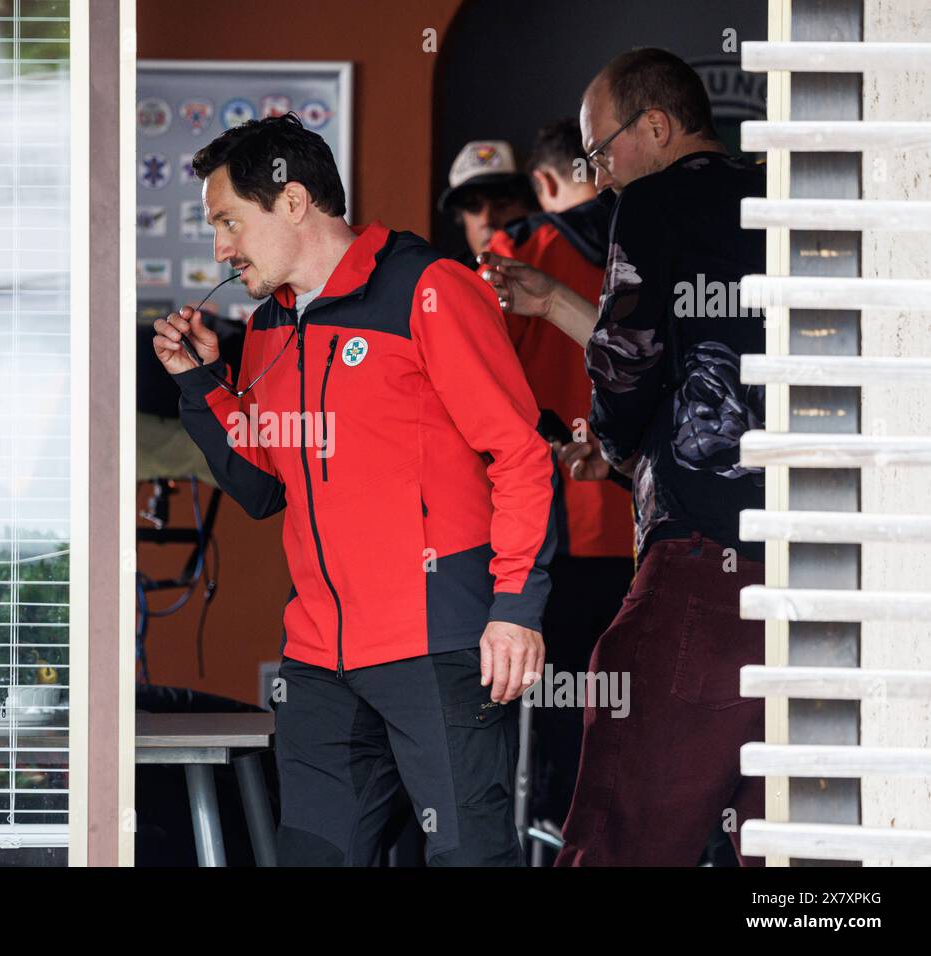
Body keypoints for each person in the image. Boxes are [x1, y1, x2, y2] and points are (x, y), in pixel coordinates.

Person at [151, 113, 556, 866]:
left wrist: (514, 610)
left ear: (294, 202)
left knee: (469, 857)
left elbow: (521, 453)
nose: (220, 248)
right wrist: (200, 386)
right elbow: (265, 484)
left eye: (229, 221)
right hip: (318, 657)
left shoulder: (429, 289)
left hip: (438, 641)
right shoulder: (271, 324)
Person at [485, 48, 768, 866]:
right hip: (817, 580)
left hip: (700, 568)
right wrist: (555, 302)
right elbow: (700, 355)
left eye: (600, 151)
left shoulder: (649, 202)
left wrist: (608, 439)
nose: (599, 177)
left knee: (622, 834)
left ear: (655, 125)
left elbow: (629, 365)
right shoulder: (775, 201)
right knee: (783, 850)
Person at [480, 120, 635, 834]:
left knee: (554, 713)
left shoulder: (518, 251)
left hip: (556, 523)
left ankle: (558, 831)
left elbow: (479, 381)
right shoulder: (656, 238)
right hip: (651, 520)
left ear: (544, 184)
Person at [437, 140, 538, 261]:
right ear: (462, 218)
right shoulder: (451, 278)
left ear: (530, 209)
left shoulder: (559, 269)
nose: (487, 220)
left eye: (501, 205)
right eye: (473, 207)